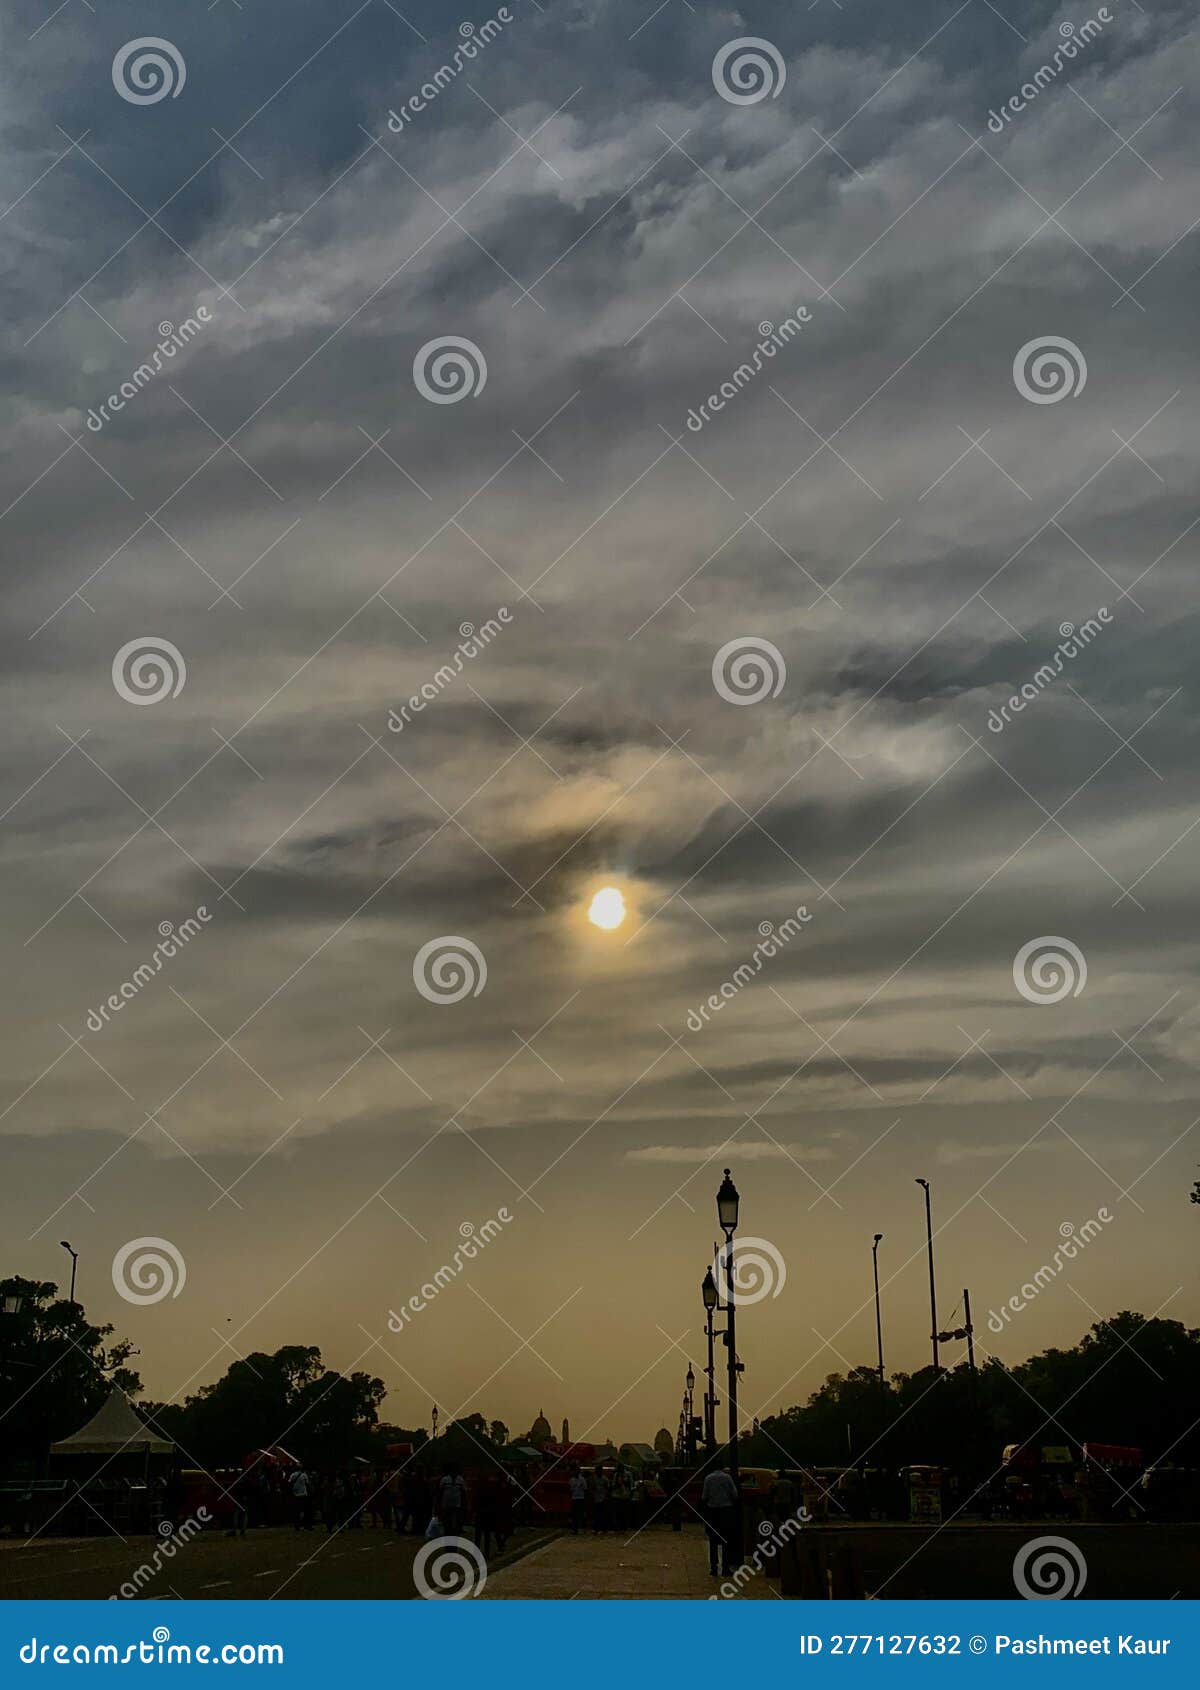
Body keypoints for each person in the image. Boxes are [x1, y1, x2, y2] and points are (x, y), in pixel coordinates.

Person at [700, 1462, 740, 1577]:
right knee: (726, 1540)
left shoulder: (708, 1478)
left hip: (712, 1512)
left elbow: (704, 1496)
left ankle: (714, 1567)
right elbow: (735, 1494)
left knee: (712, 1541)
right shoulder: (727, 1478)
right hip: (726, 1511)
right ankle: (725, 1568)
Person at [437, 1466, 466, 1536]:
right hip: (446, 1503)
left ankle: (455, 1532)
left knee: (456, 1520)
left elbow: (463, 1492)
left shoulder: (460, 1479)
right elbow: (440, 1491)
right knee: (447, 1520)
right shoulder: (445, 1479)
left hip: (457, 1504)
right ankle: (447, 1532)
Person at [289, 1465, 313, 1531]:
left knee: (297, 1511)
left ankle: (297, 1525)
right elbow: (307, 1483)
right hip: (303, 1494)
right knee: (305, 1511)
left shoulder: (292, 1475)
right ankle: (306, 1525)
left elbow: (289, 1482)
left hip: (295, 1495)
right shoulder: (304, 1475)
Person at [568, 1466, 587, 1535]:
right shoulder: (571, 1480)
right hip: (574, 1498)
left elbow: (585, 1489)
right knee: (574, 1515)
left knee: (581, 1514)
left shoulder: (582, 1479)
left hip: (581, 1498)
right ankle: (574, 1529)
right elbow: (570, 1489)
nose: (575, 1472)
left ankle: (581, 1528)